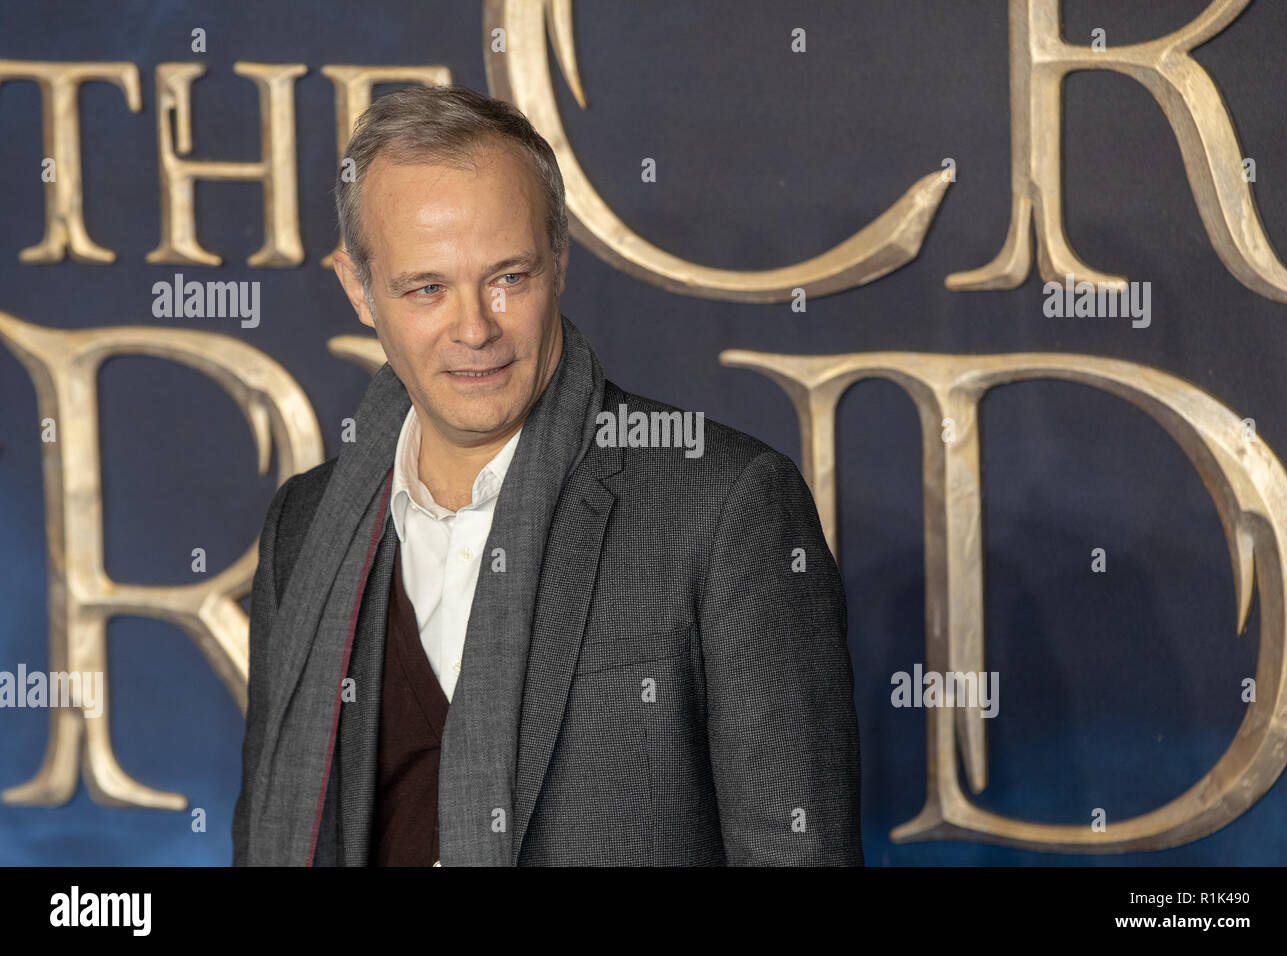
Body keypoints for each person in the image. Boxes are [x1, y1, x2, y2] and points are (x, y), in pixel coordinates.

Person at [232, 84, 861, 866]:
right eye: (427, 288)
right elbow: (267, 826)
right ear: (359, 290)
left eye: (509, 277)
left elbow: (796, 852)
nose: (474, 328)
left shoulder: (727, 504)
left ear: (558, 260)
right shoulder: (306, 526)